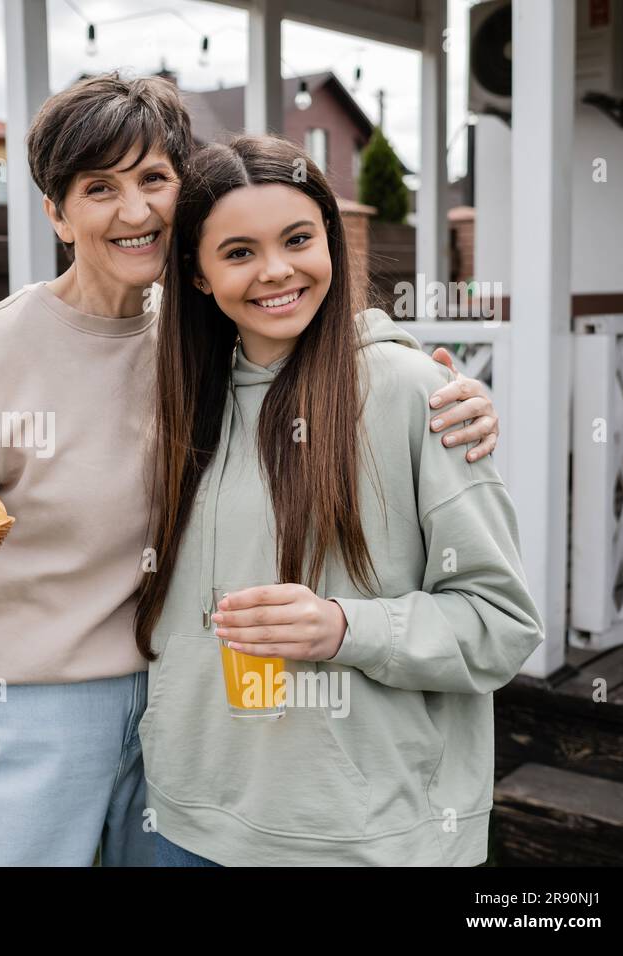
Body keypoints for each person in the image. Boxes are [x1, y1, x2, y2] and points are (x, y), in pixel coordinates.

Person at [0, 73, 502, 866]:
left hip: (188, 707)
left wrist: (430, 378)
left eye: (154, 180)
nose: (135, 212)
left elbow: (312, 333)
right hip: (39, 708)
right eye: (99, 188)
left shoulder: (198, 333)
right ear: (57, 213)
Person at [135, 136, 542, 866]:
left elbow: (501, 623)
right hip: (187, 827)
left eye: (298, 238)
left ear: (332, 239)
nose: (277, 271)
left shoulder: (414, 392)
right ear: (194, 276)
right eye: (237, 253)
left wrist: (341, 628)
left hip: (365, 840)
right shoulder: (176, 400)